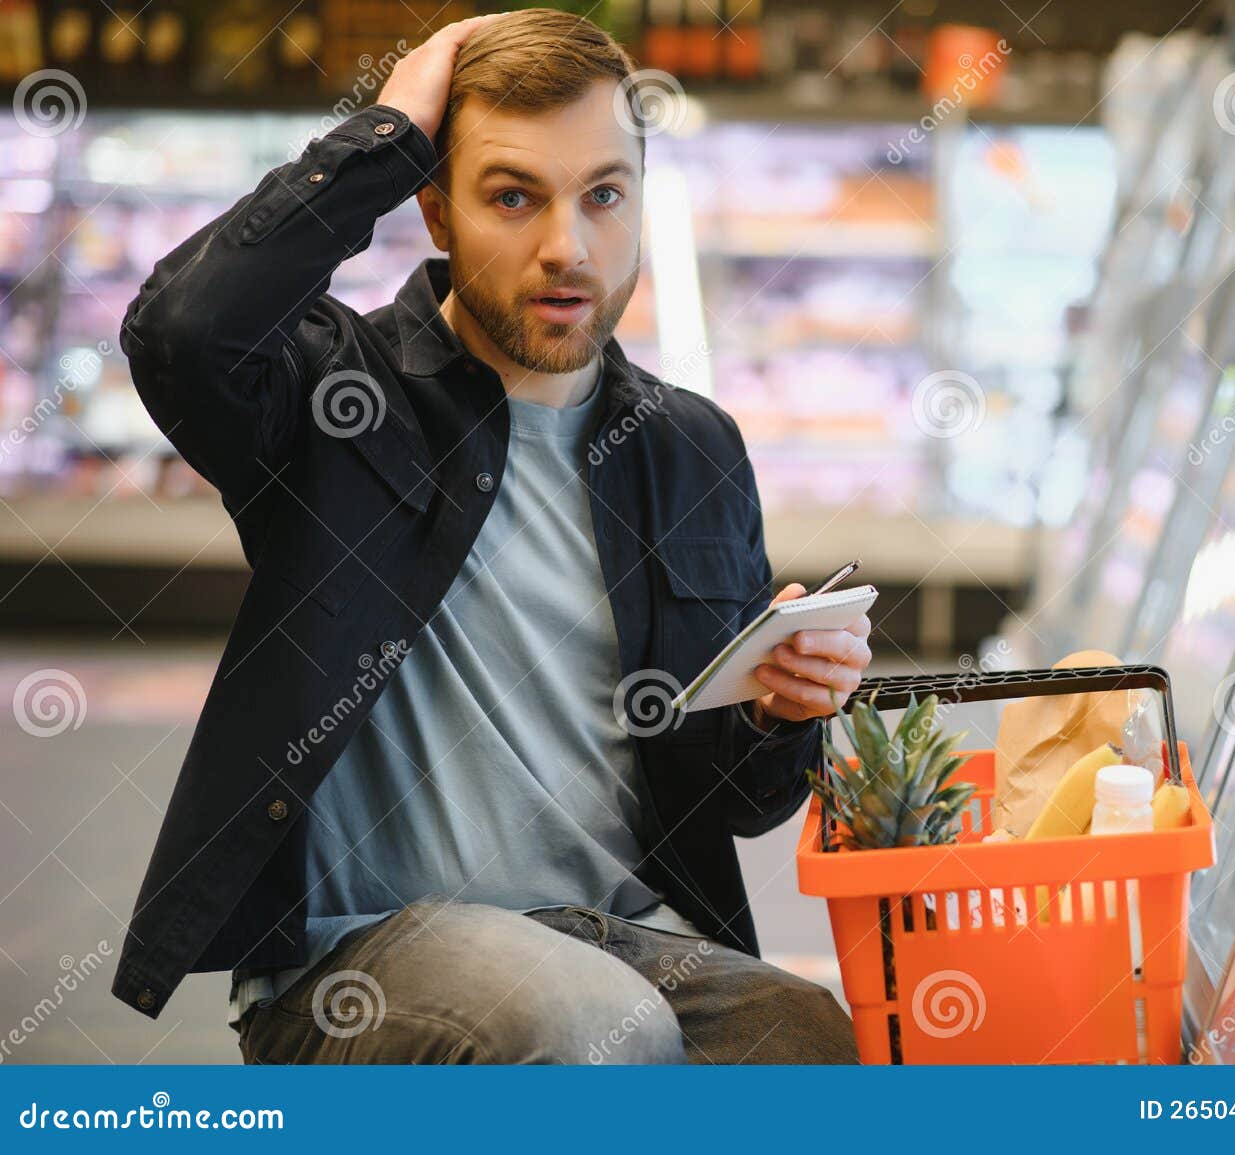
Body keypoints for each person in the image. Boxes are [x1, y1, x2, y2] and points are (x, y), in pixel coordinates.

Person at [111, 9, 870, 1064]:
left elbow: (735, 805)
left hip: (619, 937)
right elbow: (185, 332)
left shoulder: (690, 448)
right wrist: (384, 133)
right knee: (589, 1032)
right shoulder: (338, 394)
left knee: (809, 1039)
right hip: (358, 964)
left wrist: (775, 712)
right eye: (513, 197)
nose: (567, 247)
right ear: (433, 209)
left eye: (603, 195)